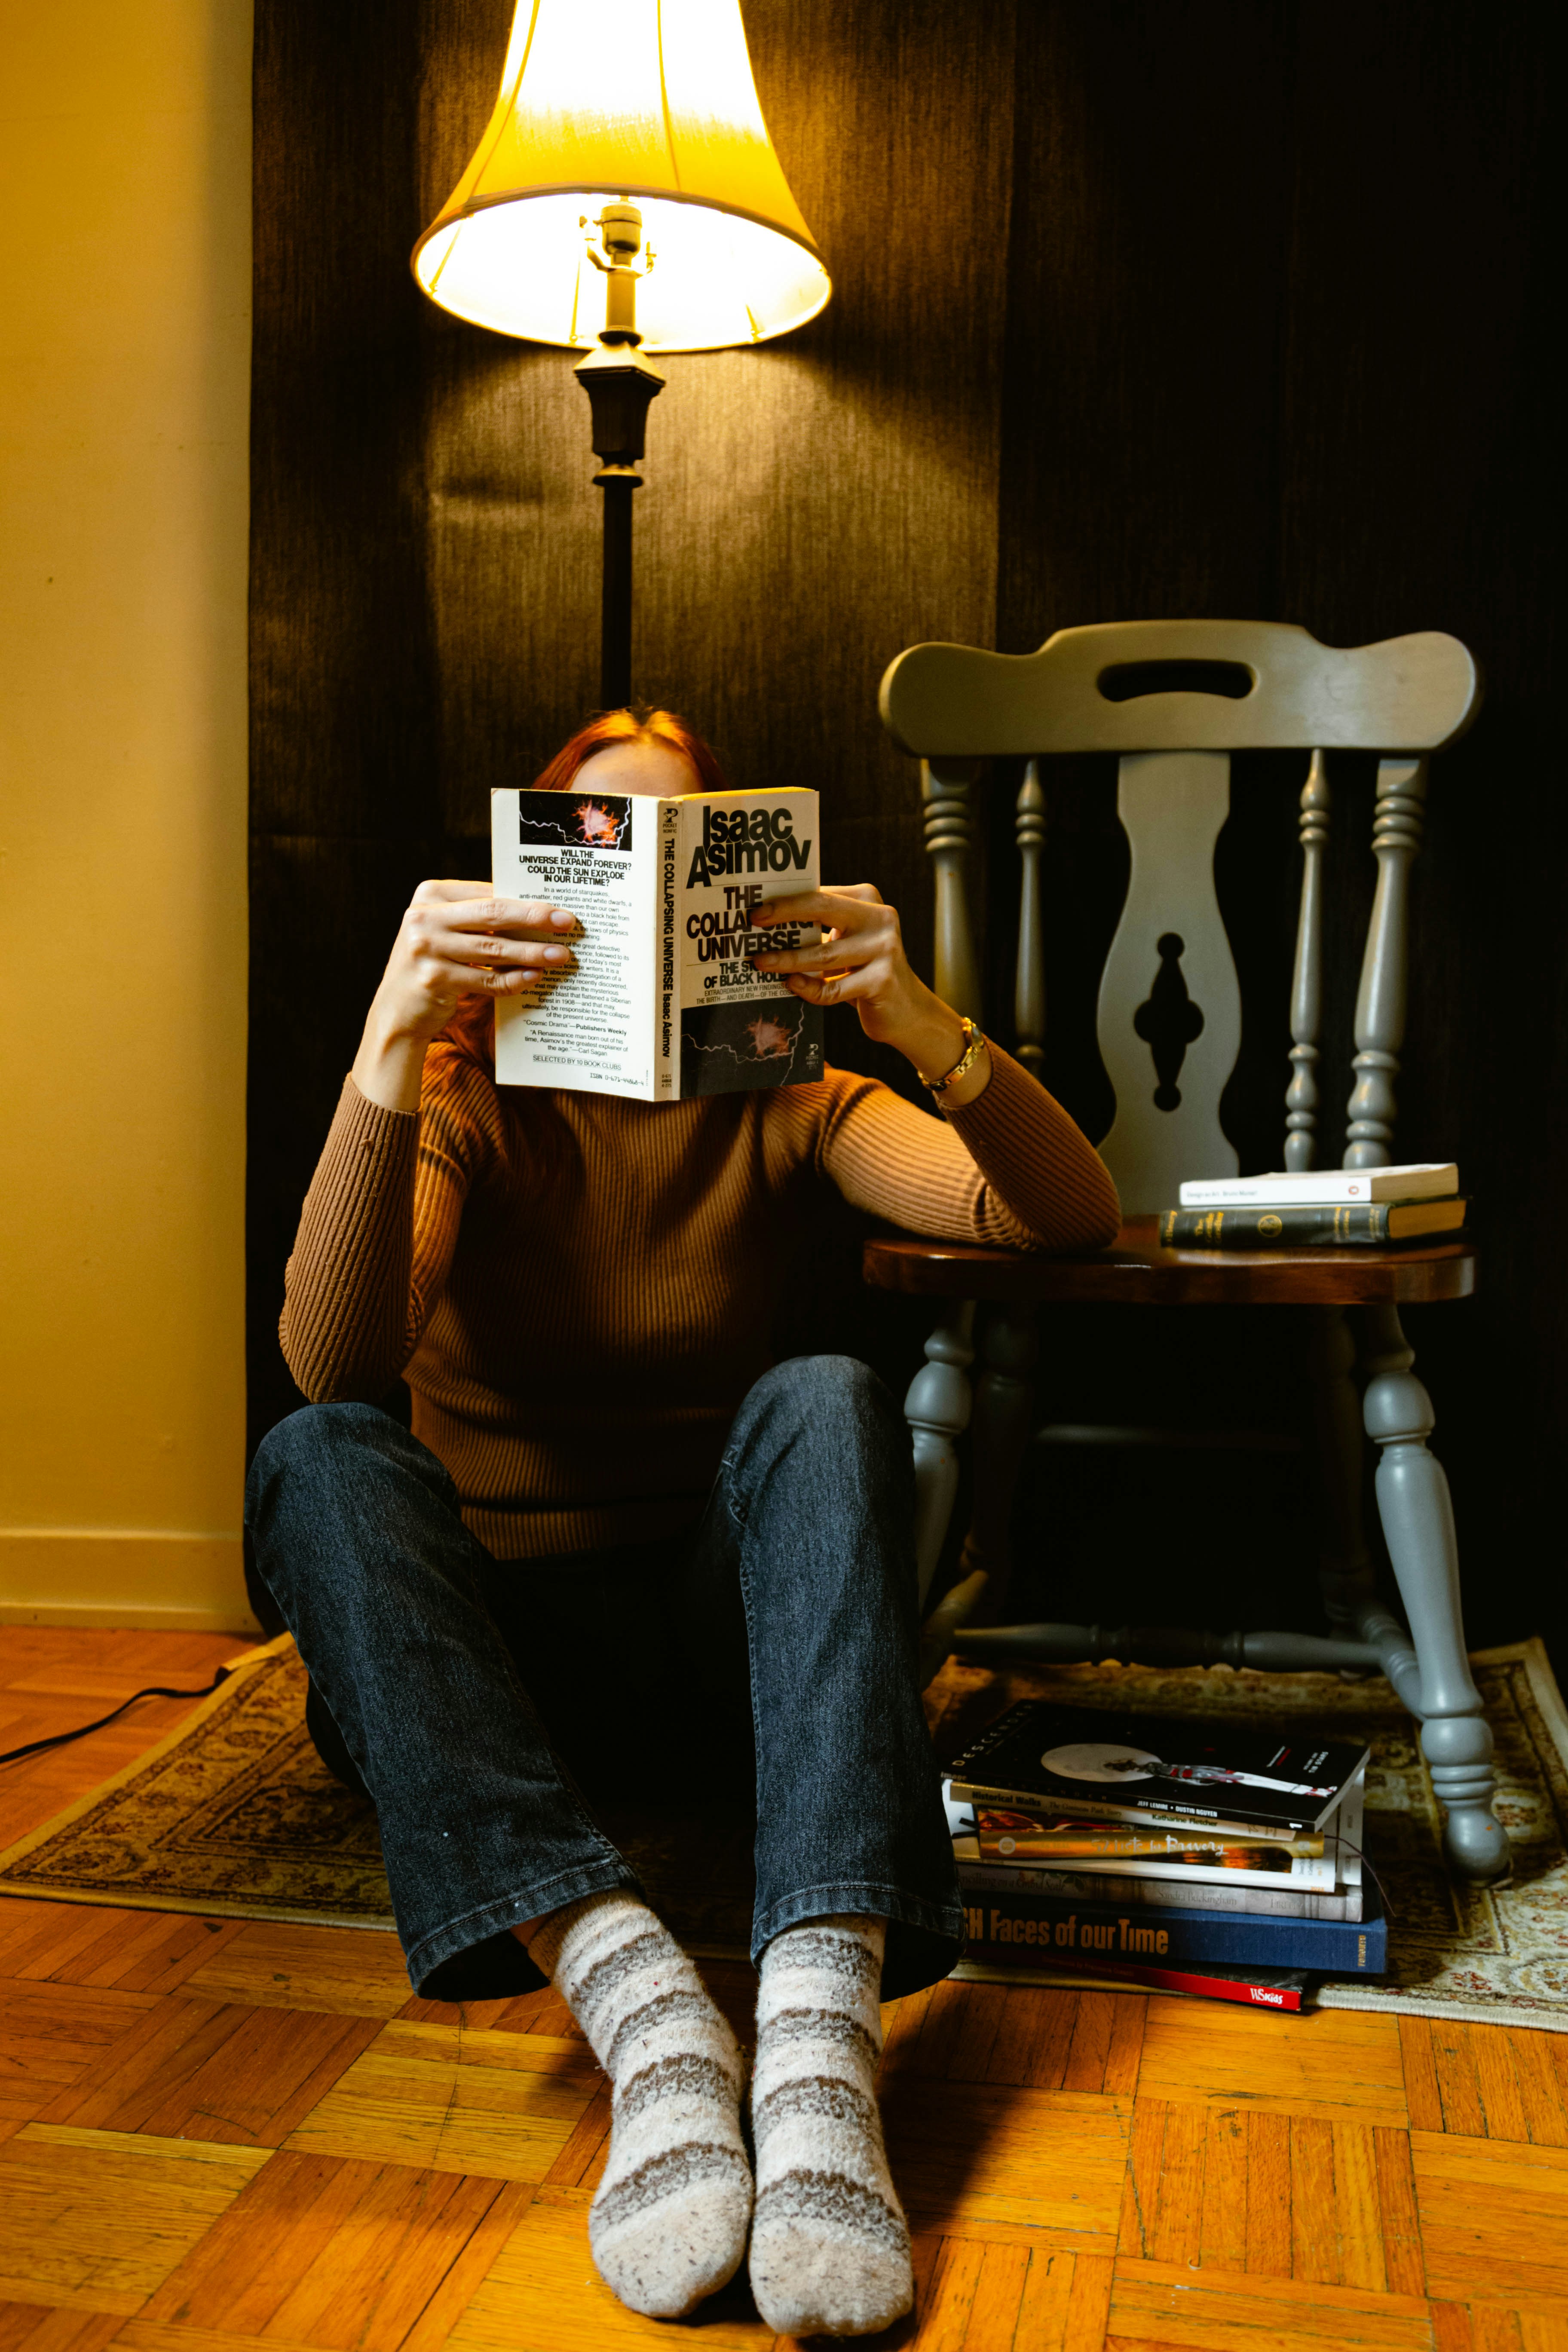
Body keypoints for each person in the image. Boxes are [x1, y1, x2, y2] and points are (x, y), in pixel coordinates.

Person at [247, 707, 1120, 2338]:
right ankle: (638, 2003)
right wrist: (388, 1054)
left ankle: (815, 2031)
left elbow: (1058, 1219)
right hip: (493, 1676)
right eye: (598, 848)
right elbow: (332, 1364)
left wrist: (913, 1019)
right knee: (319, 1457)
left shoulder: (790, 1097)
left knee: (823, 1393)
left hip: (715, 1661)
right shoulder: (464, 1088)